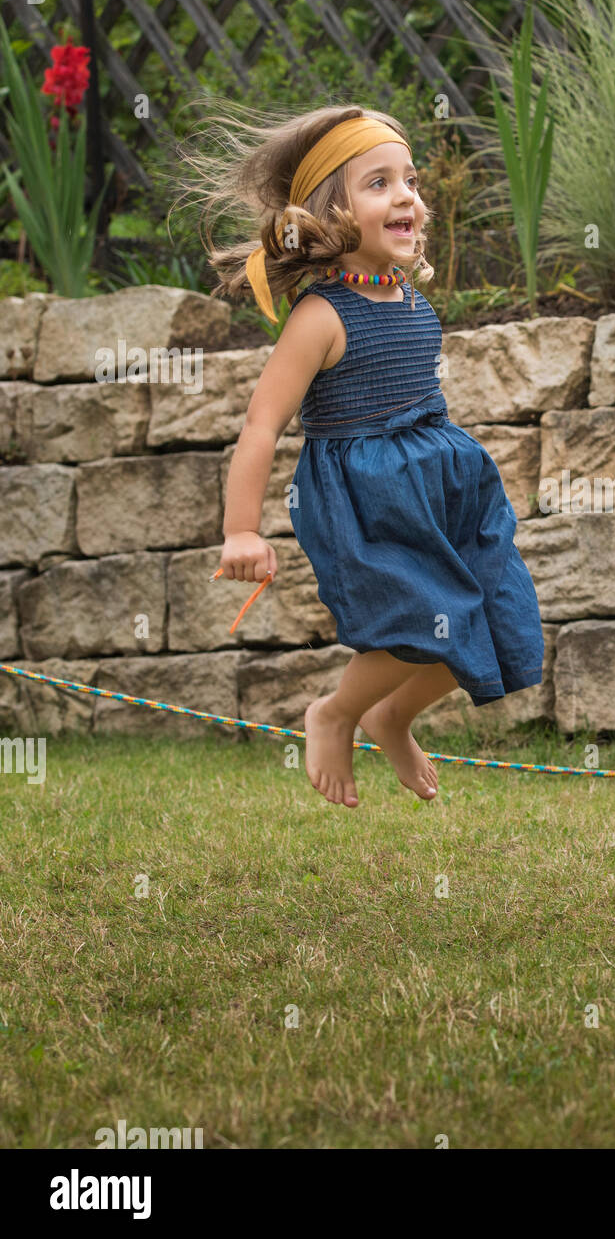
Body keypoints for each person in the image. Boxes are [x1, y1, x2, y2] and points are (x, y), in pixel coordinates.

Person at [180, 103, 545, 809]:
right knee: (422, 617)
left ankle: (390, 717)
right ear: (331, 212)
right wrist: (242, 530)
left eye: (409, 179)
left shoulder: (408, 297)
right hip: (368, 493)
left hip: (444, 482)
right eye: (379, 182)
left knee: (495, 616)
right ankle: (336, 714)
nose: (407, 194)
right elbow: (261, 425)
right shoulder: (321, 317)